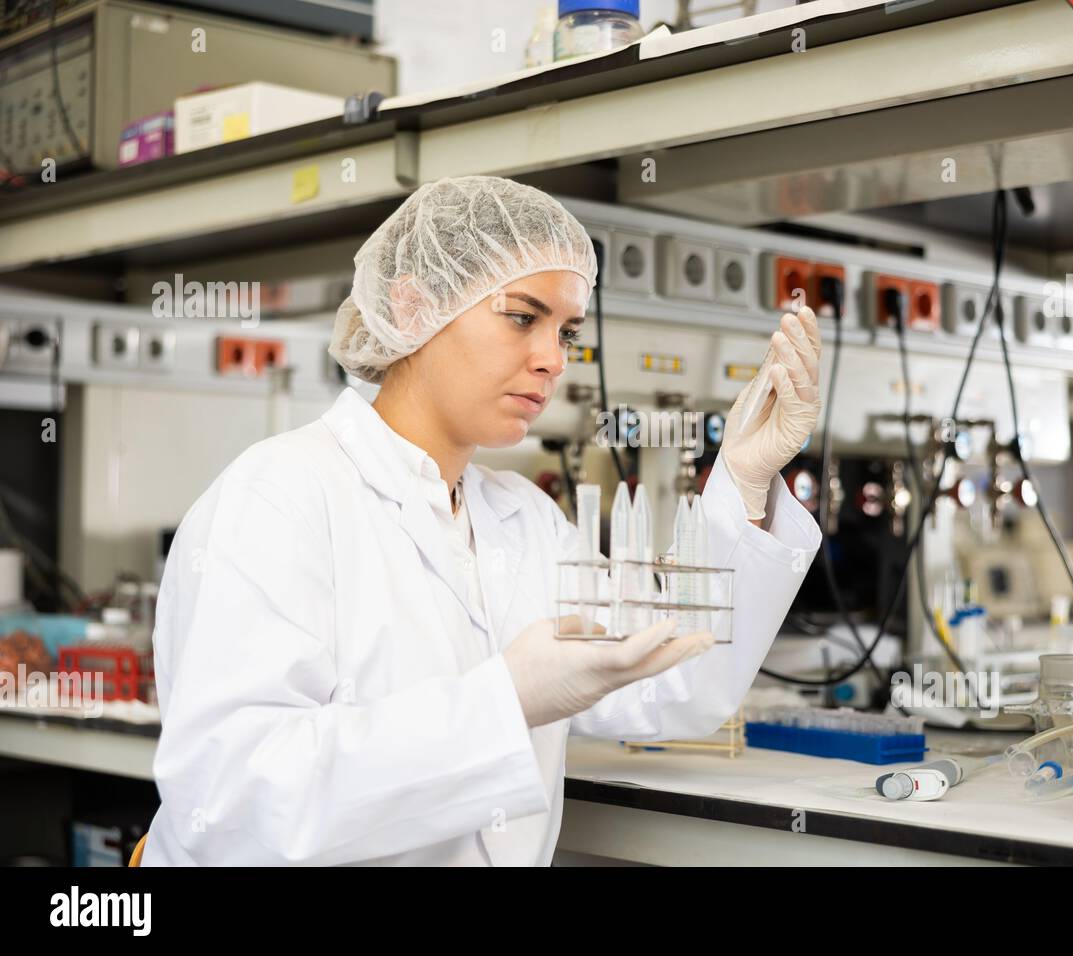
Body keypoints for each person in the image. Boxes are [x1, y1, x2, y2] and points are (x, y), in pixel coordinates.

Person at [141, 175, 823, 866]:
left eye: (566, 331)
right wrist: (506, 701)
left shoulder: (524, 519)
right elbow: (234, 803)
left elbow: (677, 683)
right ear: (413, 304)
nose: (553, 358)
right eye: (523, 317)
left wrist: (744, 479)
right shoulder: (279, 496)